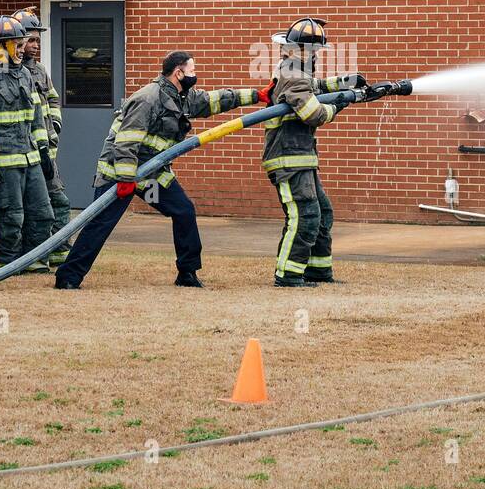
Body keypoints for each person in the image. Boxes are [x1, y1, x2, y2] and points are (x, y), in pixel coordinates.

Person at [55, 51, 260, 290]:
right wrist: (125, 178)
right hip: (120, 173)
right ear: (178, 73)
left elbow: (215, 100)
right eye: (192, 71)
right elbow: (126, 142)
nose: (196, 75)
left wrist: (257, 95)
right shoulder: (148, 98)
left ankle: (187, 272)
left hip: (151, 175)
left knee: (183, 211)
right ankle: (68, 277)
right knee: (101, 222)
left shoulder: (182, 97)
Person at [261, 17, 364, 287]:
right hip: (287, 157)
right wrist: (340, 105)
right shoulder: (293, 74)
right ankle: (288, 275)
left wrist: (344, 82)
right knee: (304, 214)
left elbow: (315, 88)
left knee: (322, 213)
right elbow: (312, 113)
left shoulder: (297, 71)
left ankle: (318, 271)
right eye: (312, 51)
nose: (316, 55)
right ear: (296, 50)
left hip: (301, 155)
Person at [0, 15, 55, 273]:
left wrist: (44, 151)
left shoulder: (25, 75)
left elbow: (37, 117)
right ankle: (5, 264)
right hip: (4, 162)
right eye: (17, 45)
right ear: (1, 46)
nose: (23, 50)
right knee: (11, 216)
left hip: (31, 158)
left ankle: (34, 260)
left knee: (43, 213)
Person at [14, 8, 72, 269]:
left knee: (58, 201)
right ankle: (25, 256)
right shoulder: (10, 71)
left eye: (37, 40)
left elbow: (52, 98)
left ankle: (59, 248)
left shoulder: (39, 70)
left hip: (47, 150)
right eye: (30, 39)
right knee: (31, 207)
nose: (35, 45)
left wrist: (55, 125)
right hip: (26, 152)